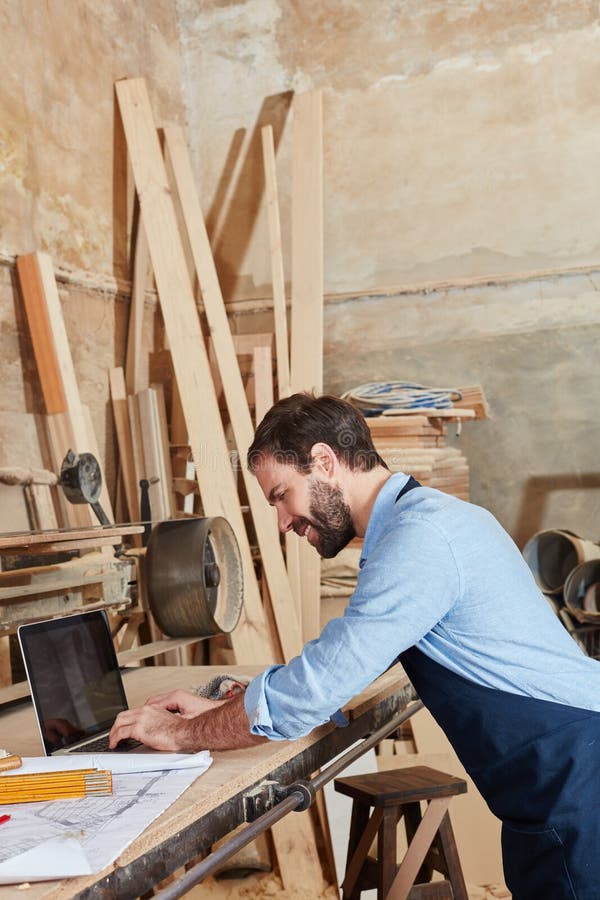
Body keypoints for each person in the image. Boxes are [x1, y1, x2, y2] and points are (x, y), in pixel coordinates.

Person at [110, 392, 600, 898]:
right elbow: (343, 663)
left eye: (281, 495)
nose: (282, 522)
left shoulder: (420, 539)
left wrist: (180, 734)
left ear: (325, 461)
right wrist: (228, 706)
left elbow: (316, 688)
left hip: (575, 784)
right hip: (561, 777)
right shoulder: (433, 520)